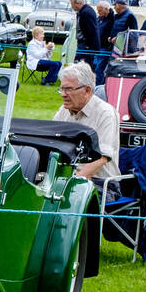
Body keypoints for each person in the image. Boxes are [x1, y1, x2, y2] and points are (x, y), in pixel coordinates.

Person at [53, 62, 120, 194]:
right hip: (66, 178)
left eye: (69, 89)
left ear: (87, 90)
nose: (63, 94)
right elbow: (52, 146)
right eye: (62, 89)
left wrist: (70, 184)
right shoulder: (63, 111)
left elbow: (102, 158)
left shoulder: (106, 113)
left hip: (101, 183)